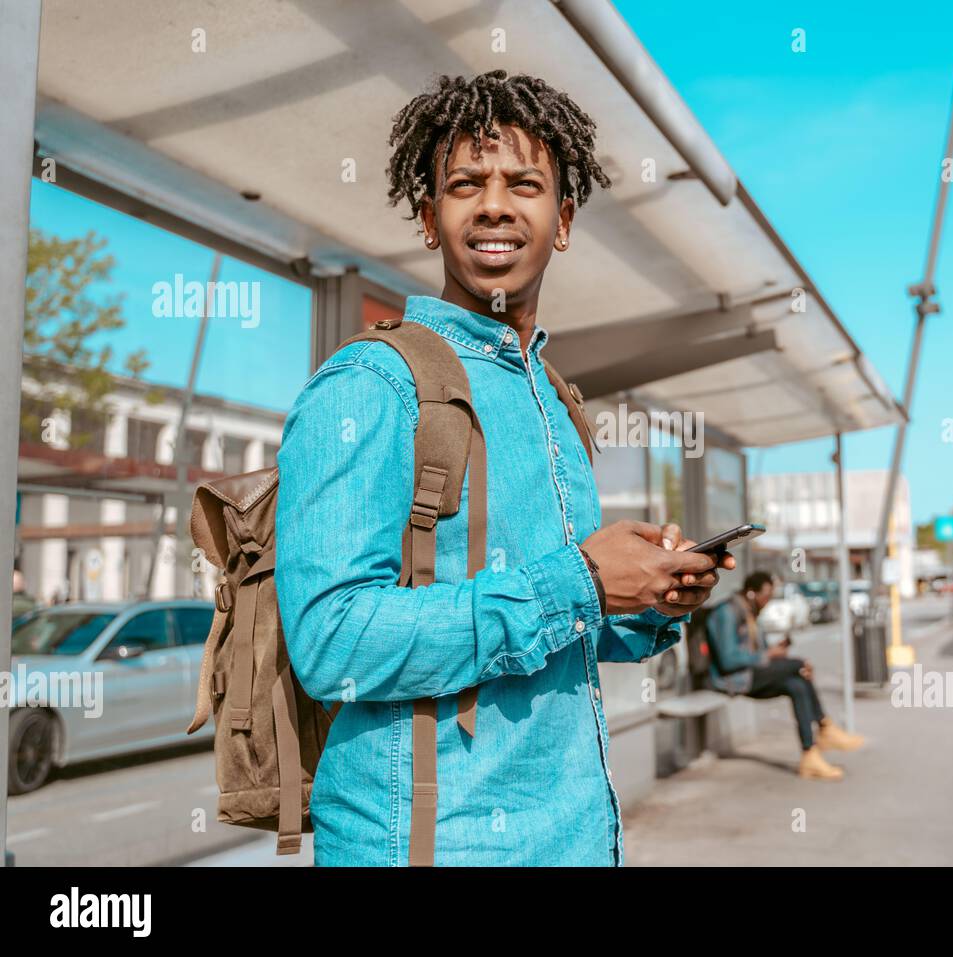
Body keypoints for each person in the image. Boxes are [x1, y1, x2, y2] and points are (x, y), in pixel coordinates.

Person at [275, 70, 734, 866]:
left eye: (525, 183)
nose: (494, 204)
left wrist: (651, 598)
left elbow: (568, 632)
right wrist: (580, 581)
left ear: (562, 221)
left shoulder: (556, 401)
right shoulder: (368, 386)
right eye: (465, 184)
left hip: (579, 841)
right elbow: (331, 643)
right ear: (429, 219)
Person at [705, 571, 864, 781]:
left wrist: (774, 652)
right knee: (798, 666)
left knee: (796, 685)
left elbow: (757, 654)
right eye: (767, 595)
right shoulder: (727, 612)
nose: (768, 601)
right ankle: (825, 727)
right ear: (752, 593)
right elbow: (728, 660)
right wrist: (770, 655)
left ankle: (810, 755)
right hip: (732, 679)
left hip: (750, 675)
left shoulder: (749, 612)